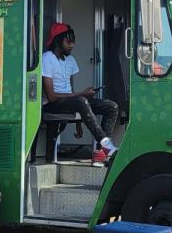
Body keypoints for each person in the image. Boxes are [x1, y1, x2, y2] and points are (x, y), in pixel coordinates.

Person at [42, 22, 118, 164]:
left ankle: (101, 152)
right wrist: (80, 95)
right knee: (81, 100)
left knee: (111, 107)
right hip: (52, 104)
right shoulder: (47, 58)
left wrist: (79, 121)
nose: (72, 45)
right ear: (58, 40)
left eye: (73, 41)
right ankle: (107, 147)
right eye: (69, 41)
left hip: (72, 102)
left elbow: (70, 90)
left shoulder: (70, 60)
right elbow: (51, 96)